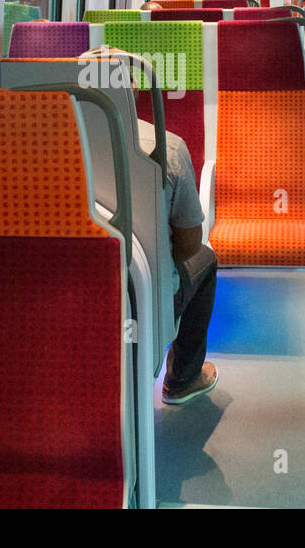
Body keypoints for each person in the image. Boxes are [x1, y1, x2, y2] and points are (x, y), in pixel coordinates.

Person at [81, 47, 217, 403]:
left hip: (69, 292)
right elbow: (189, 244)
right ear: (132, 92)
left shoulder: (47, 142)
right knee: (206, 259)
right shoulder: (166, 148)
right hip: (144, 295)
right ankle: (183, 377)